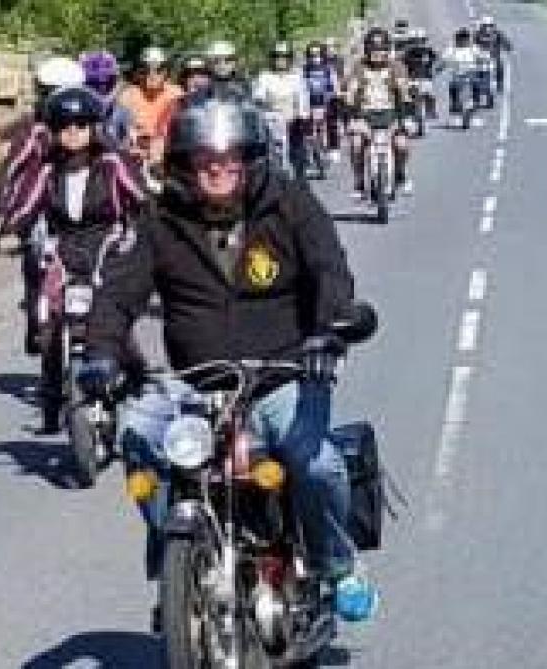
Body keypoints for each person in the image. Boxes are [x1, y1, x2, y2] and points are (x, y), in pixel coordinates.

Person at [78, 92, 378, 627]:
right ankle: (175, 551)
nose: (217, 170)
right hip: (195, 386)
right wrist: (99, 355)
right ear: (183, 166)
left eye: (229, 158)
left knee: (318, 464)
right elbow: (119, 294)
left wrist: (330, 333)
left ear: (251, 159)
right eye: (203, 160)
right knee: (140, 437)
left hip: (282, 376)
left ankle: (336, 568)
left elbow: (330, 270)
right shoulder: (159, 221)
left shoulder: (289, 203)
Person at [0, 87, 148, 433]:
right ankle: (52, 399)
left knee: (114, 319)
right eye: (64, 124)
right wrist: (11, 231)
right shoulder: (47, 170)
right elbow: (26, 204)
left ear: (95, 127)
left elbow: (140, 198)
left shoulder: (113, 163)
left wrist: (149, 230)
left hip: (108, 247)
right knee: (48, 328)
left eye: (81, 123)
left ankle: (136, 377)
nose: (73, 131)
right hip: (64, 249)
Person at [0, 56, 86, 355]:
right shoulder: (34, 133)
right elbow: (12, 171)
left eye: (46, 92)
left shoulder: (93, 131)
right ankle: (38, 323)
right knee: (35, 259)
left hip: (89, 215)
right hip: (44, 214)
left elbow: (119, 167)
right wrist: (5, 199)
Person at [343, 27, 416, 198]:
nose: (377, 53)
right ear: (367, 50)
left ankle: (400, 174)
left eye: (382, 49)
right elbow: (351, 91)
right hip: (364, 115)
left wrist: (406, 116)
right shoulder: (358, 67)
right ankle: (359, 182)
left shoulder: (396, 66)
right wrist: (351, 111)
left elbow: (404, 91)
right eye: (373, 49)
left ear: (388, 50)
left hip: (391, 114)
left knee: (401, 144)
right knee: (356, 144)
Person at [117, 47, 183, 168]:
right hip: (138, 155)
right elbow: (122, 131)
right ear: (138, 71)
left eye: (158, 70)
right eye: (145, 70)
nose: (151, 75)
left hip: (169, 154)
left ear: (166, 72)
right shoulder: (128, 95)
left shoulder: (176, 93)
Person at [253, 41, 309, 179]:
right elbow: (258, 97)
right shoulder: (265, 77)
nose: (281, 60)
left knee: (298, 149)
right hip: (271, 121)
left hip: (293, 122)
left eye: (284, 57)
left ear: (289, 59)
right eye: (277, 57)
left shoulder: (296, 77)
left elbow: (302, 98)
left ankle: (299, 177)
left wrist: (301, 115)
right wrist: (266, 105)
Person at [80, 50, 133, 150]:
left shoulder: (122, 112)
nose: (101, 88)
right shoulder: (75, 113)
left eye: (107, 82)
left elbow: (128, 143)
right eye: (94, 83)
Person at [302, 40, 342, 161]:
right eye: (312, 55)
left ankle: (334, 147)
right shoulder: (304, 70)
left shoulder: (328, 69)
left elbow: (335, 83)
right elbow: (299, 85)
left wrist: (337, 92)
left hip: (326, 100)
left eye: (318, 54)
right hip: (310, 101)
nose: (315, 58)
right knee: (305, 124)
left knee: (331, 121)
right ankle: (307, 149)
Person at [397, 27, 441, 120]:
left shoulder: (429, 51)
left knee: (430, 93)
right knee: (404, 94)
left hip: (425, 78)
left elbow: (438, 60)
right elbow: (399, 62)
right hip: (410, 78)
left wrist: (435, 69)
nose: (418, 43)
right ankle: (405, 111)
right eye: (415, 41)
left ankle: (431, 110)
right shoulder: (406, 52)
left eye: (421, 41)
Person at [441, 27, 488, 113]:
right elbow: (444, 59)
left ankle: (476, 100)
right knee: (453, 85)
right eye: (461, 37)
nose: (463, 39)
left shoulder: (473, 49)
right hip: (457, 74)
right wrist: (442, 66)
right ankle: (454, 103)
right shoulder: (452, 49)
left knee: (477, 82)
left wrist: (484, 63)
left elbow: (483, 56)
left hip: (471, 73)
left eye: (465, 37)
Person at [473, 16, 512, 92]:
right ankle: (476, 85)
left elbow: (505, 41)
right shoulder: (478, 33)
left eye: (490, 25)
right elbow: (472, 43)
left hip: (494, 55)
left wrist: (508, 47)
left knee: (500, 66)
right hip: (481, 56)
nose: (488, 27)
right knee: (474, 68)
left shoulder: (497, 33)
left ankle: (499, 83)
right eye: (485, 25)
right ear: (482, 26)